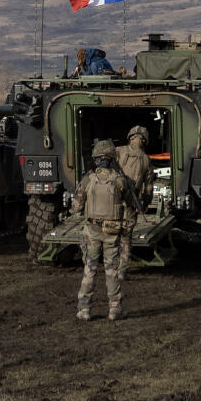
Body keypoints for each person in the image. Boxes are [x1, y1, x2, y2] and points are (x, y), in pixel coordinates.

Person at [74, 141, 137, 322]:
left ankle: (84, 309)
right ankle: (115, 309)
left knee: (90, 268)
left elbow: (76, 207)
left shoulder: (88, 179)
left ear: (96, 159)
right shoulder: (119, 180)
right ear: (112, 159)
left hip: (92, 230)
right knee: (112, 270)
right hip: (112, 231)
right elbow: (131, 203)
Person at [117, 126, 154, 204]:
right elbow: (149, 187)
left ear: (130, 137)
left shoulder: (117, 151)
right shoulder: (146, 159)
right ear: (144, 140)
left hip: (113, 202)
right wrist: (146, 202)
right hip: (131, 203)